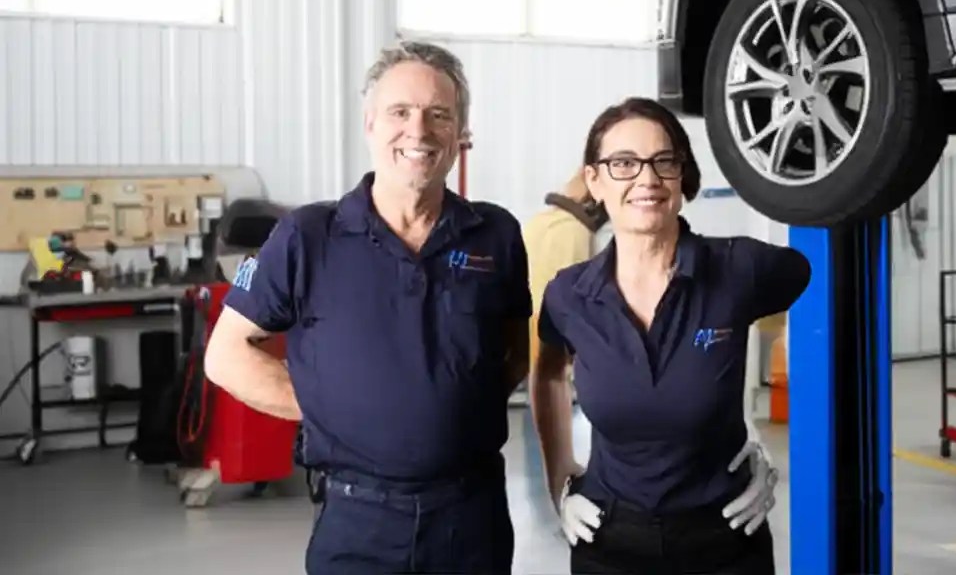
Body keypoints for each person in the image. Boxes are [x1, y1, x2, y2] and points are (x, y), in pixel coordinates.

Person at [204, 40, 532, 575]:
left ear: (460, 134)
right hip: (358, 520)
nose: (419, 131)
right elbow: (226, 355)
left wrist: (451, 408)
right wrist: (335, 414)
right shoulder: (307, 236)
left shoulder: (496, 234)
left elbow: (515, 353)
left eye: (439, 115)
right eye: (400, 112)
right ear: (370, 124)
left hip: (472, 519)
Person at [529, 97, 812, 574]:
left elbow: (822, 281)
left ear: (682, 179)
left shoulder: (740, 268)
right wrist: (559, 478)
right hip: (608, 536)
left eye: (664, 162)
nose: (647, 179)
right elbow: (549, 375)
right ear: (594, 181)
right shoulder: (570, 295)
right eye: (623, 164)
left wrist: (759, 442)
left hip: (724, 536)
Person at [522, 170, 610, 374]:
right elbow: (575, 302)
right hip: (549, 335)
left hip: (524, 330)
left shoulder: (541, 221)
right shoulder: (575, 232)